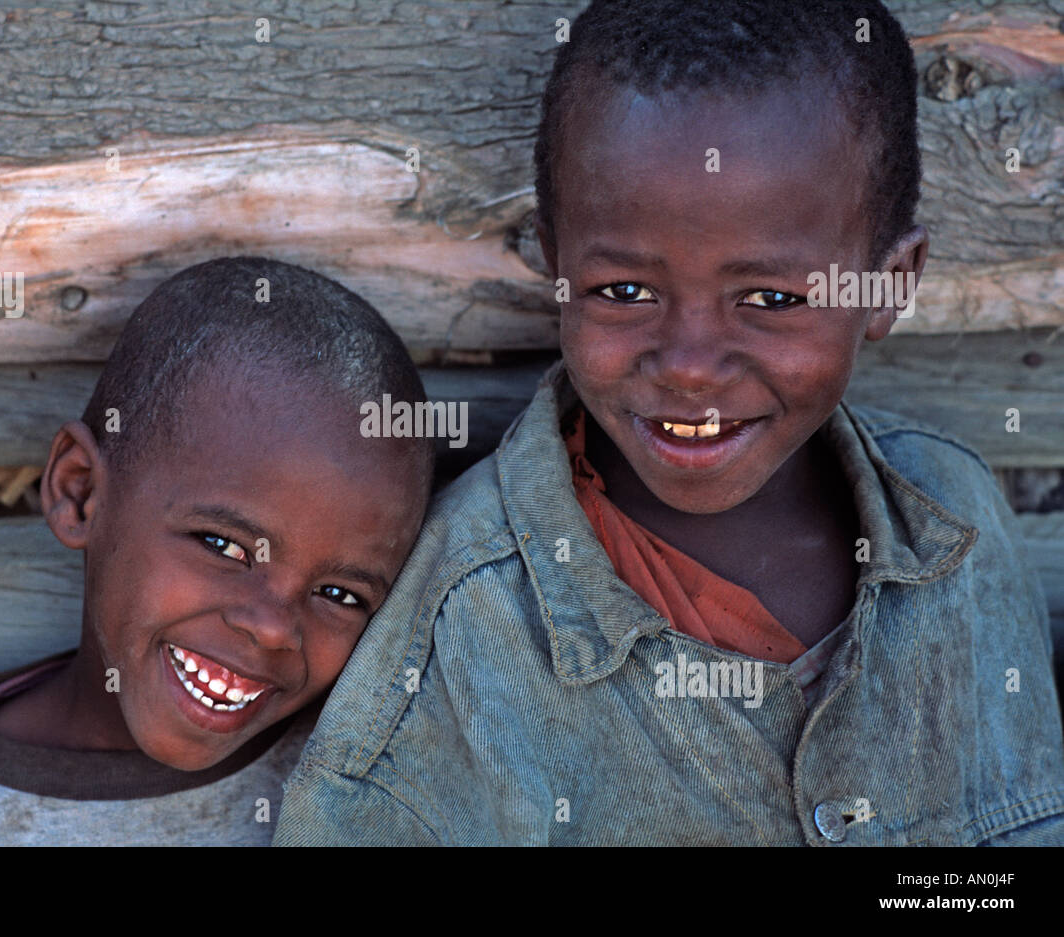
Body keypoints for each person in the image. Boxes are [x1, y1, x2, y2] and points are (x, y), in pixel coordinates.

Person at [272, 0, 1064, 845]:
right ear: (556, 261)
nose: (688, 363)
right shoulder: (454, 648)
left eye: (771, 299)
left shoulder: (956, 522)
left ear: (889, 281)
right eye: (624, 291)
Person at [0, 257, 433, 845]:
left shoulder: (377, 787)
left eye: (340, 595)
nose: (273, 628)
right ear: (79, 493)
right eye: (224, 546)